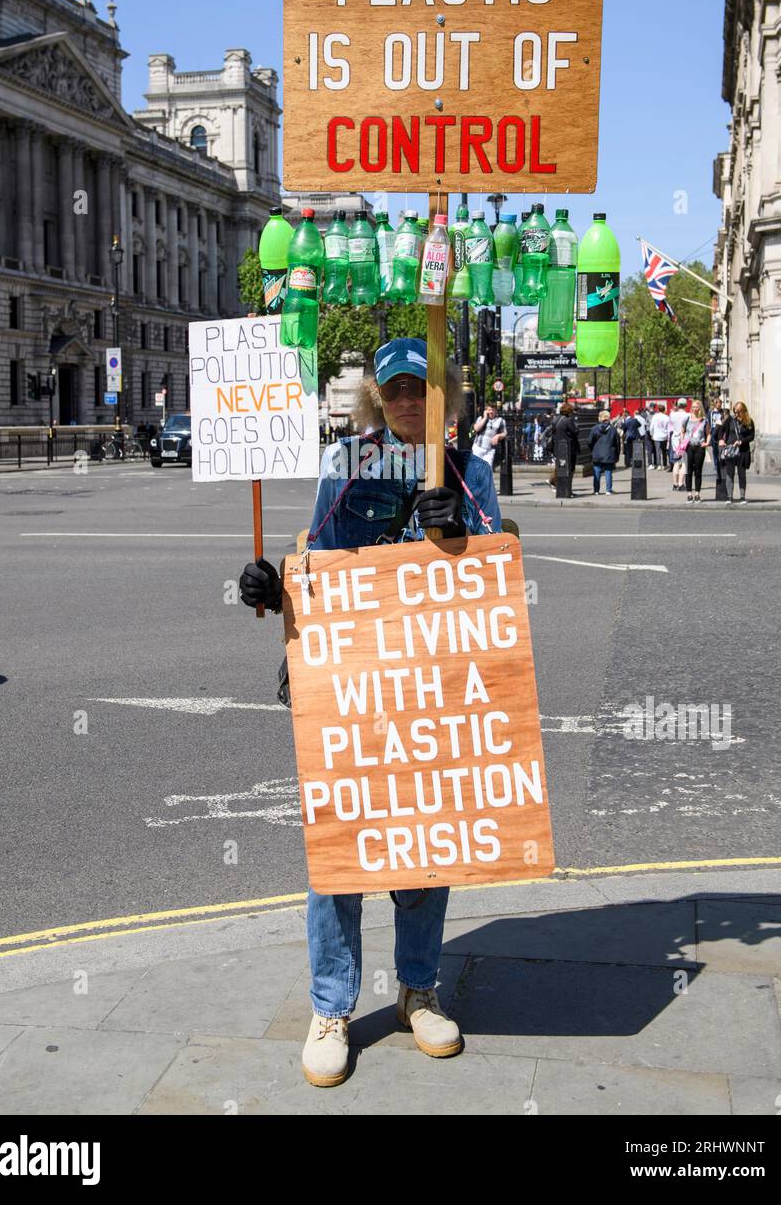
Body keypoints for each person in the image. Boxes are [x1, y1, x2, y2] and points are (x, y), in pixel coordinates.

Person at [237, 337, 502, 1089]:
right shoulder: (342, 467)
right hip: (352, 690)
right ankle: (331, 1008)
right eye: (394, 393)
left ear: (443, 392)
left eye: (421, 388)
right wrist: (270, 585)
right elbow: (314, 568)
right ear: (375, 402)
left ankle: (418, 989)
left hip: (431, 692)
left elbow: (497, 583)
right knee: (340, 854)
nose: (408, 403)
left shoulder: (470, 472)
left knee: (423, 849)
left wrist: (459, 537)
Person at [717, 400, 755, 503]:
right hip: (731, 450)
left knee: (742, 474)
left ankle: (742, 497)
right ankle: (729, 497)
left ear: (743, 411)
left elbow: (751, 436)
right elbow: (721, 430)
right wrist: (721, 440)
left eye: (738, 411)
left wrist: (741, 441)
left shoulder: (749, 422)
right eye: (735, 411)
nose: (736, 414)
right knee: (730, 474)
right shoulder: (730, 420)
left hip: (742, 451)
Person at [546, 401, 579, 492]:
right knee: (569, 469)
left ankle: (559, 486)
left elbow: (553, 432)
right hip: (569, 448)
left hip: (558, 447)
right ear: (569, 411)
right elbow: (575, 432)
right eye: (572, 411)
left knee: (561, 467)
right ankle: (567, 489)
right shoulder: (568, 420)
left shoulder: (555, 419)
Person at [682, 400, 709, 501]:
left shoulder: (704, 420)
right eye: (693, 406)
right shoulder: (687, 419)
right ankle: (689, 494)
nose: (694, 408)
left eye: (696, 407)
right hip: (688, 447)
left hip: (699, 447)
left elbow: (708, 433)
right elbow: (682, 431)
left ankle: (697, 493)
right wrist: (682, 441)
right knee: (688, 471)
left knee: (698, 471)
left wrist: (707, 443)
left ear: (700, 408)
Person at [588, 409, 621, 494]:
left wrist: (593, 449)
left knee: (597, 472)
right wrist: (617, 455)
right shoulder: (613, 429)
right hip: (609, 454)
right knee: (608, 472)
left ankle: (596, 490)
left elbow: (589, 441)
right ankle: (608, 490)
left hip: (597, 454)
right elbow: (617, 443)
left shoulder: (594, 428)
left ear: (600, 418)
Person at [471, 402, 506, 469]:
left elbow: (504, 433)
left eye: (493, 410)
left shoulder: (500, 420)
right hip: (478, 448)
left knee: (487, 470)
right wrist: (485, 418)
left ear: (496, 411)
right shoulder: (480, 418)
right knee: (476, 469)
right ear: (486, 411)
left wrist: (498, 436)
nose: (491, 412)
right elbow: (475, 429)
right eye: (489, 410)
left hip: (490, 450)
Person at [668, 398, 690, 491]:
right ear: (686, 405)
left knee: (676, 462)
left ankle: (675, 484)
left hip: (674, 440)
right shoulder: (688, 415)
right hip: (684, 440)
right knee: (684, 463)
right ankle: (681, 484)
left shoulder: (672, 415)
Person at [649, 402, 670, 469]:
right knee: (664, 451)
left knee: (657, 451)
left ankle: (659, 465)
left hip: (656, 436)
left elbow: (651, 427)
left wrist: (651, 434)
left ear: (658, 410)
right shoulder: (667, 417)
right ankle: (664, 464)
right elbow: (669, 427)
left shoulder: (655, 416)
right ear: (664, 410)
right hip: (664, 436)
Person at [709, 399, 725, 477]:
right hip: (713, 431)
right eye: (718, 404)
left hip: (721, 431)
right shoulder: (711, 412)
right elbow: (709, 422)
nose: (719, 405)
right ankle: (716, 464)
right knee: (715, 449)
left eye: (720, 404)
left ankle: (721, 462)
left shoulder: (723, 412)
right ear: (715, 404)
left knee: (721, 448)